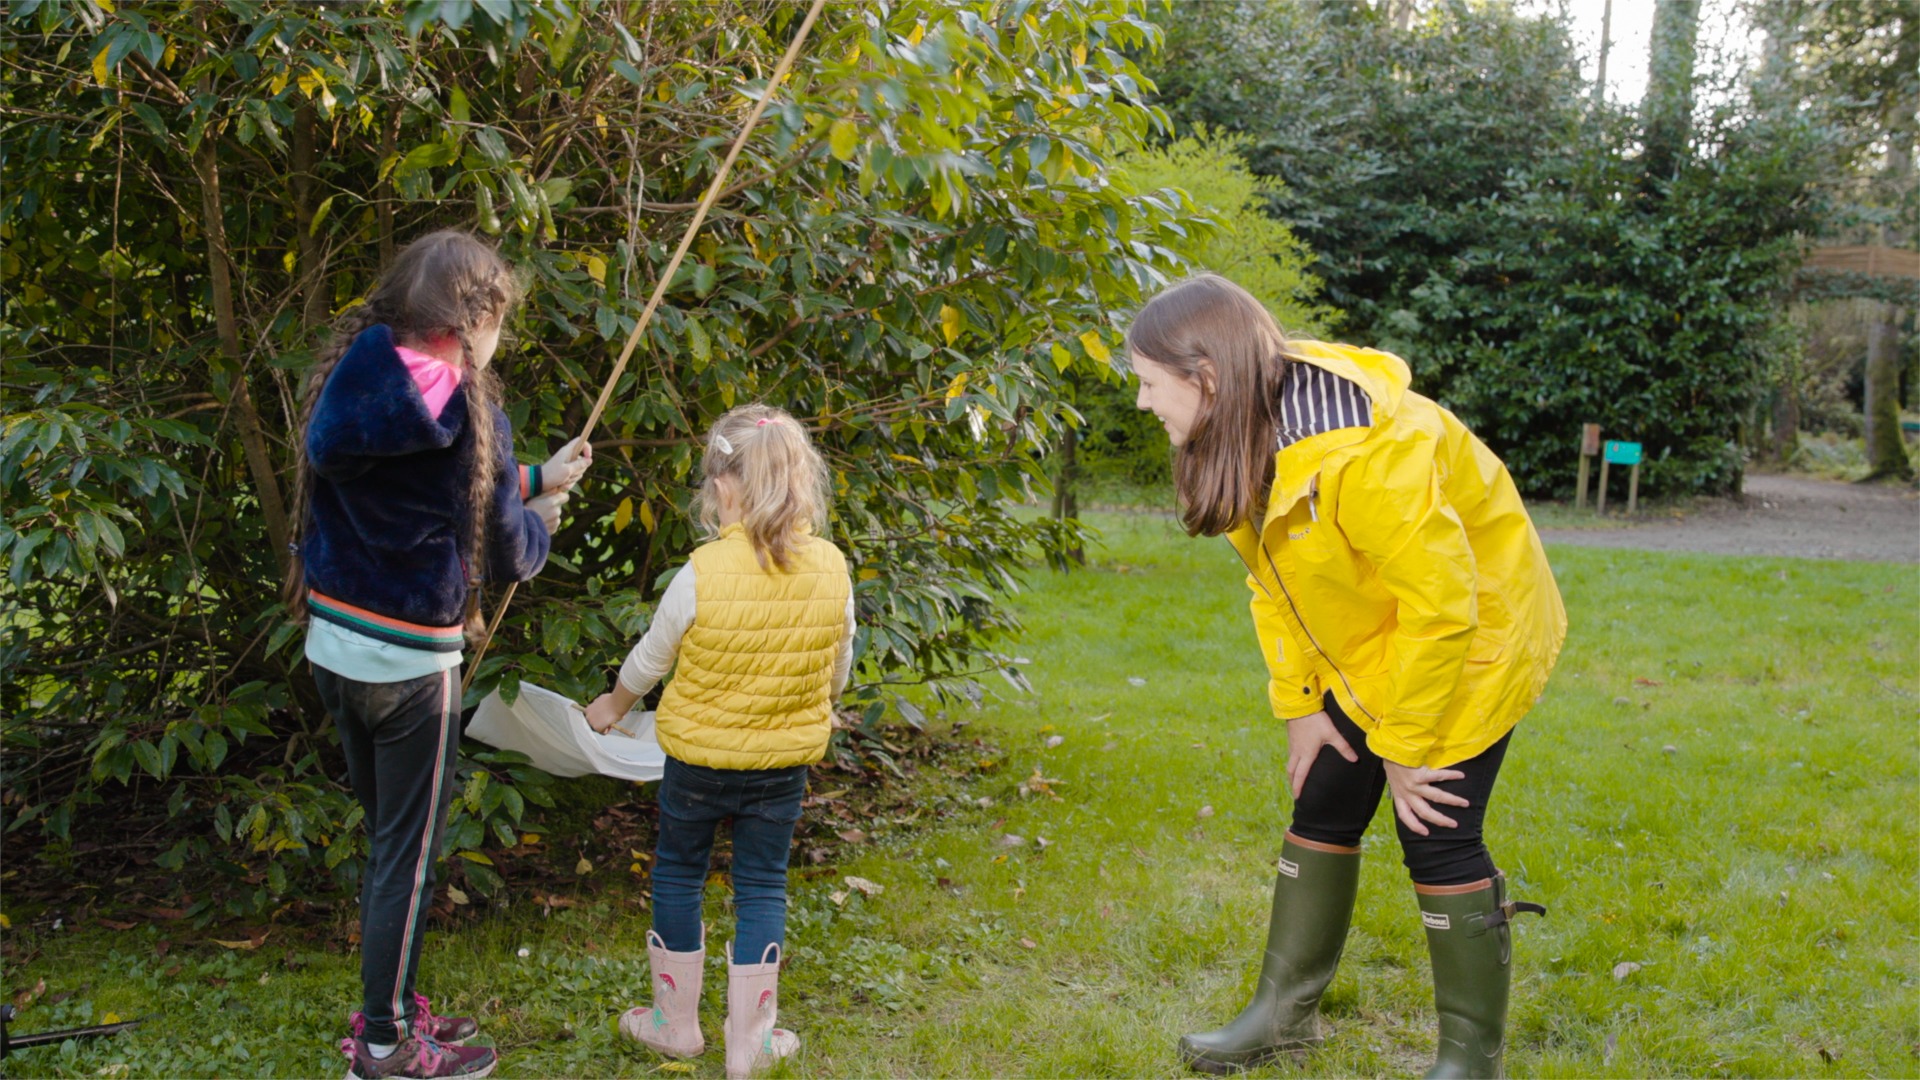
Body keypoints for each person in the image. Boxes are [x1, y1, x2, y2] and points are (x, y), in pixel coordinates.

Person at [1126, 274, 1565, 1079]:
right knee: (1326, 788)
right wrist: (1301, 704)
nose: (1146, 403)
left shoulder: (1367, 453)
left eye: (1151, 384)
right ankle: (1281, 1018)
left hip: (1473, 634)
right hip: (1380, 630)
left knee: (1433, 824)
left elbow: (1443, 607)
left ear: (1206, 376)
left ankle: (1471, 1064)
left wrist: (1404, 746)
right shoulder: (1249, 433)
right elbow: (1276, 583)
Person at [285, 229, 591, 1080]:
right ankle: (381, 1046)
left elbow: (431, 486)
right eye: (501, 323)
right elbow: (509, 554)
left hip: (335, 651)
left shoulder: (358, 368)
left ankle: (394, 1012)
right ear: (471, 323)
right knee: (406, 861)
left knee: (391, 850)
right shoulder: (469, 410)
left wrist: (533, 478)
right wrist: (541, 524)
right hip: (413, 673)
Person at [584, 404, 854, 1080]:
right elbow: (839, 660)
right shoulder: (830, 567)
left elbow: (650, 660)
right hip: (782, 763)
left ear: (725, 486)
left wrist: (611, 708)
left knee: (679, 869)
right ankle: (750, 1044)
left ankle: (676, 1026)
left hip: (697, 762)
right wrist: (827, 703)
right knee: (763, 883)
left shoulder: (702, 571)